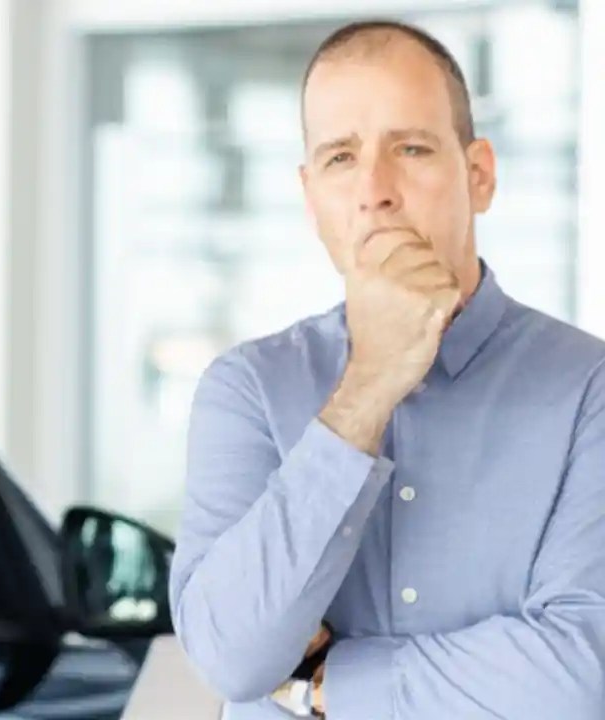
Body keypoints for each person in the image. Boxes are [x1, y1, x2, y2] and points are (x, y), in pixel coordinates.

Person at [168, 19, 605, 719]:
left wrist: (323, 684)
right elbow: (230, 656)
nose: (376, 189)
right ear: (312, 200)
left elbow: (585, 677)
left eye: (411, 147)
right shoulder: (245, 389)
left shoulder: (590, 390)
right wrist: (365, 389)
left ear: (479, 176)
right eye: (341, 158)